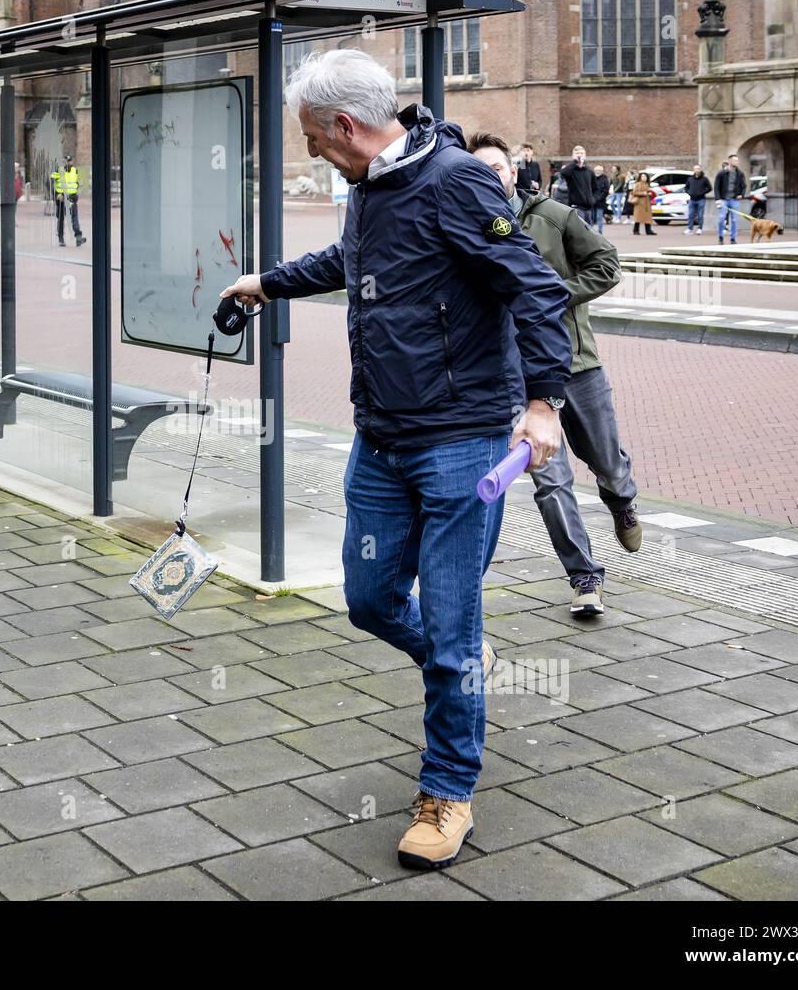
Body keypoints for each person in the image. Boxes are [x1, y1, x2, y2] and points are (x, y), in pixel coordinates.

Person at [219, 49, 570, 870]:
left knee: (450, 630)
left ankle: (448, 790)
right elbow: (355, 264)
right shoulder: (370, 189)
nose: (309, 151)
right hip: (380, 438)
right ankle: (463, 662)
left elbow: (537, 289)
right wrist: (269, 283)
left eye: (312, 136)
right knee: (370, 599)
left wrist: (543, 402)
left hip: (462, 444)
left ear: (345, 126)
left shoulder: (454, 180)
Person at [470, 132, 643, 616]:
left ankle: (621, 496)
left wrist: (554, 294)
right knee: (549, 480)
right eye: (478, 169)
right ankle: (584, 577)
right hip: (516, 376)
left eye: (496, 168)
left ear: (512, 172)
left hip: (575, 363)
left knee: (605, 459)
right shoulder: (467, 224)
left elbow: (607, 265)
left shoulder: (554, 216)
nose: (489, 176)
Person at [51, 154, 85, 247]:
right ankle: (61, 238)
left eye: (70, 161)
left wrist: (78, 185)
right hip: (62, 199)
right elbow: (49, 182)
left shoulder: (75, 170)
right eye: (66, 161)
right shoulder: (59, 170)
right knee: (61, 219)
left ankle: (78, 237)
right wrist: (56, 194)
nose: (69, 163)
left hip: (72, 198)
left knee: (74, 218)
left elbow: (74, 182)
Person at [559, 145, 597, 227]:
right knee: (580, 231)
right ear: (573, 156)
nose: (580, 155)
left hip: (589, 208)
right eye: (577, 153)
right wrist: (575, 162)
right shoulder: (571, 171)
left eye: (582, 153)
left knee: (590, 233)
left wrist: (593, 199)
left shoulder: (589, 171)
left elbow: (596, 188)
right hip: (577, 207)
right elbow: (563, 173)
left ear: (585, 155)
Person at [714, 153, 747, 244]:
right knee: (721, 218)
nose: (737, 162)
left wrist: (742, 194)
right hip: (723, 199)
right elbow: (716, 186)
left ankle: (733, 238)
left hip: (734, 200)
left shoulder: (740, 173)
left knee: (734, 220)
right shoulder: (722, 173)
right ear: (729, 161)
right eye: (735, 160)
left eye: (737, 160)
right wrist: (718, 199)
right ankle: (720, 237)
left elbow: (744, 186)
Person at [684, 163, 710, 235]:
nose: (697, 170)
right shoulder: (690, 179)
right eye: (695, 169)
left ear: (700, 169)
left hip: (701, 199)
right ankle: (690, 228)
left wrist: (702, 192)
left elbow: (709, 188)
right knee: (690, 214)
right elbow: (686, 187)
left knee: (700, 215)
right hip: (692, 199)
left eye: (698, 169)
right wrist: (689, 192)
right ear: (693, 170)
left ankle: (700, 228)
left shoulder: (704, 179)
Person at [591, 164, 610, 235]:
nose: (597, 172)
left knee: (599, 218)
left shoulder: (605, 179)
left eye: (599, 170)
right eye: (596, 170)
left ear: (602, 171)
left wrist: (598, 198)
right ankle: (591, 233)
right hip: (592, 201)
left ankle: (600, 233)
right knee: (591, 218)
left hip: (600, 202)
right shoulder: (591, 178)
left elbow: (606, 191)